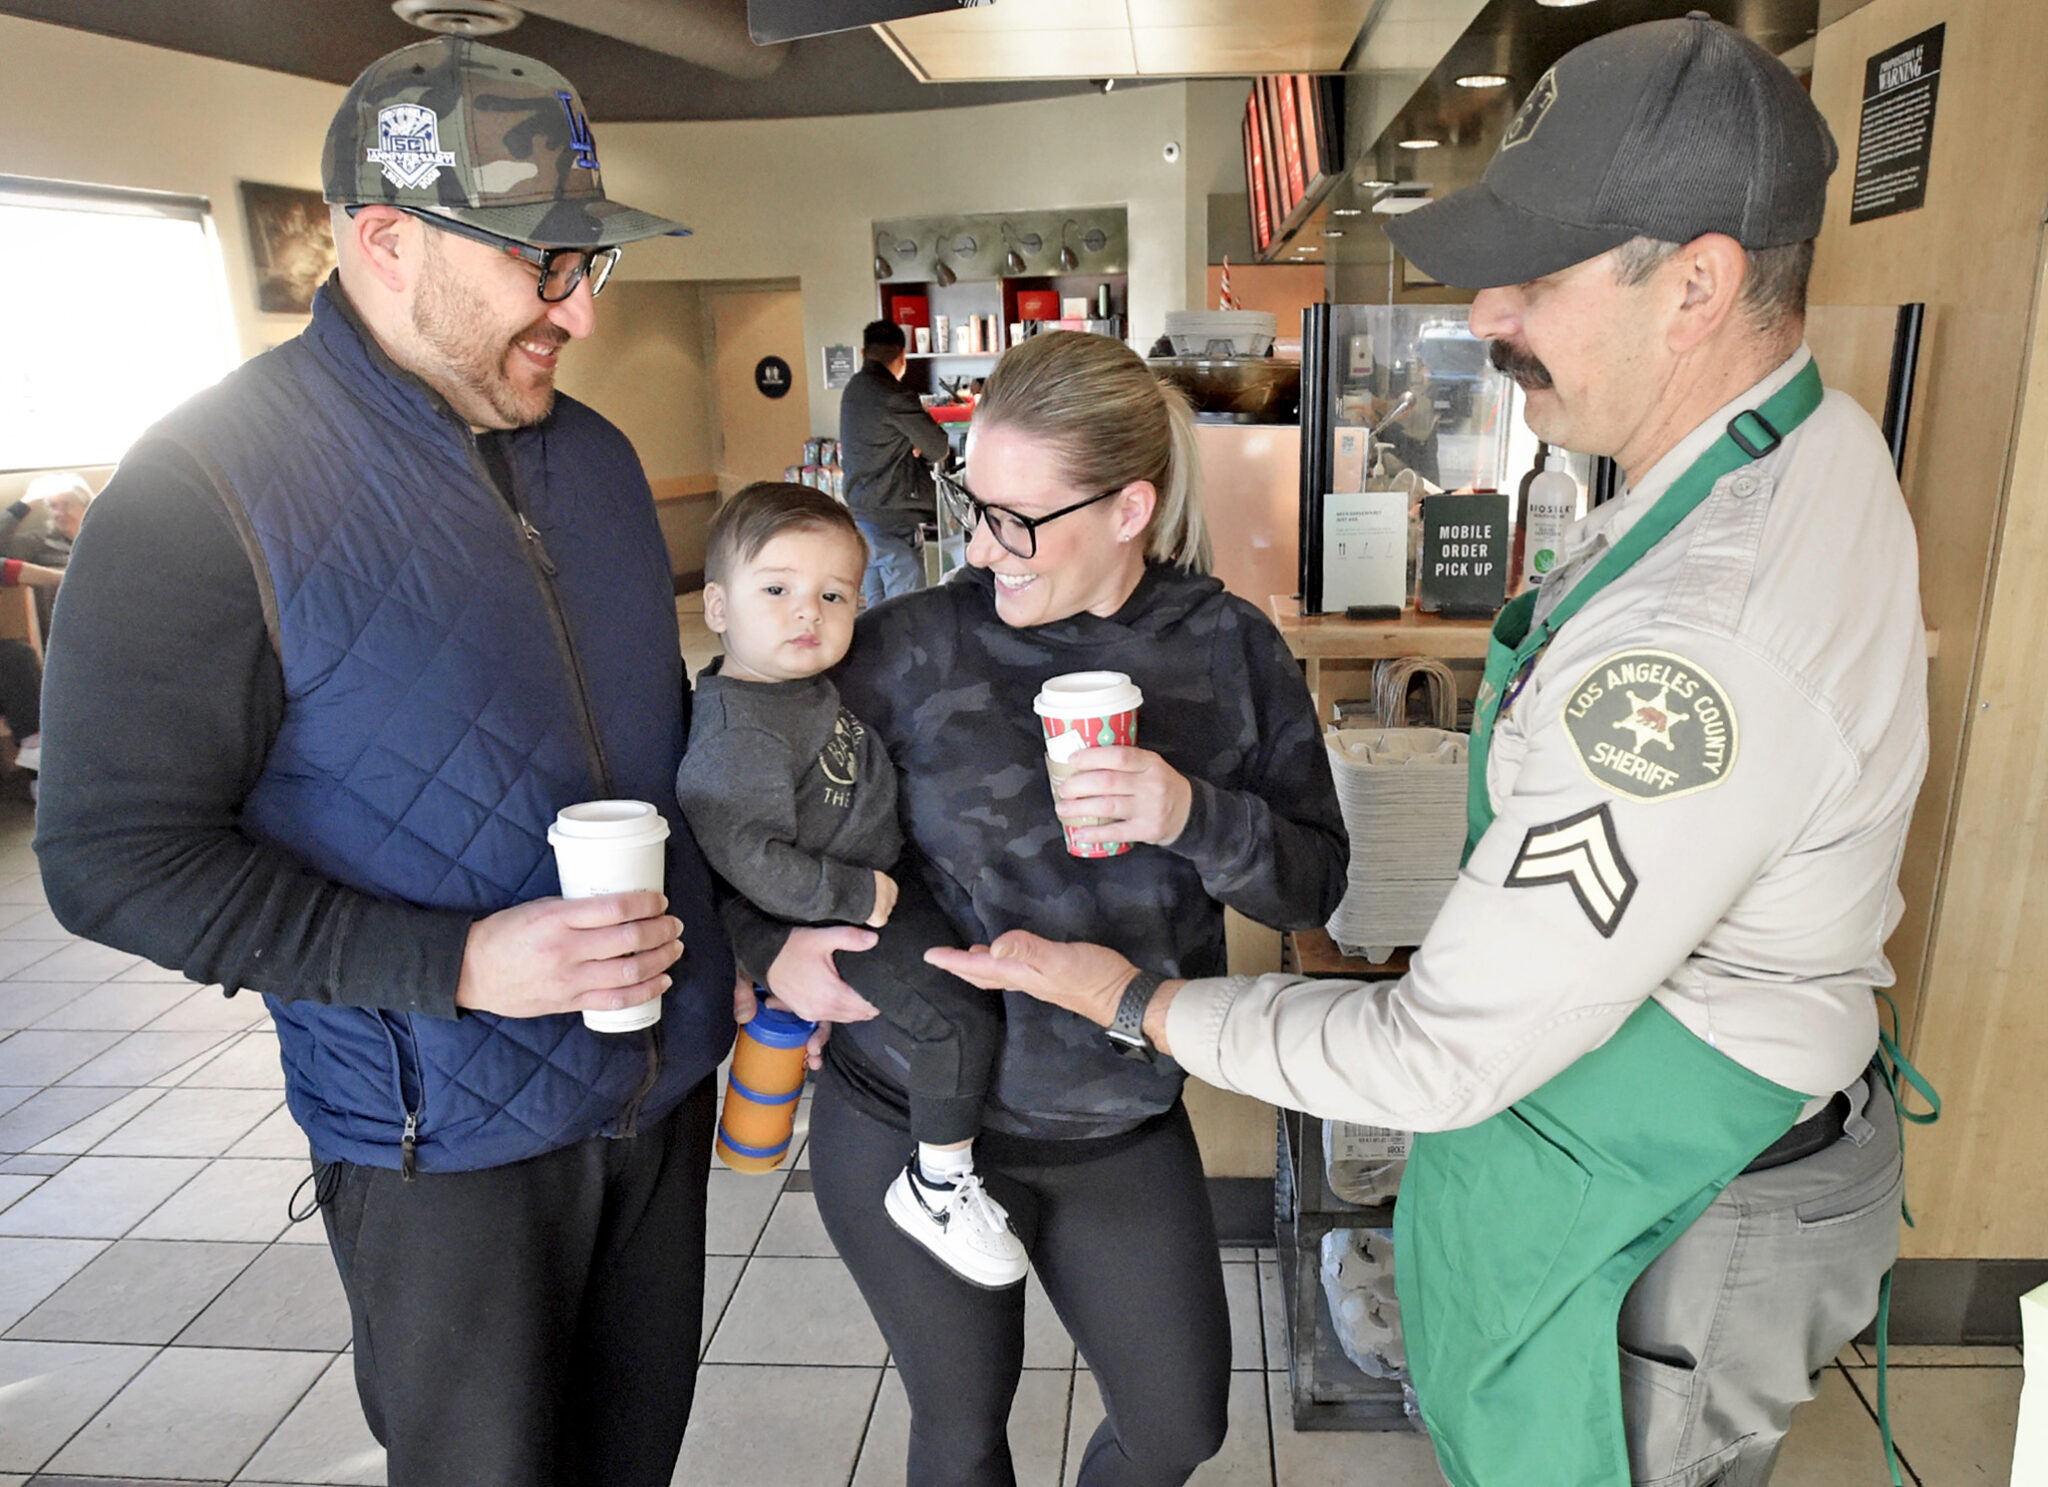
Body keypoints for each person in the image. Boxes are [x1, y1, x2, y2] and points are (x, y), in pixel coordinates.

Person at [932, 18, 1927, 1487]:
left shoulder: (1697, 634)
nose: (1490, 315)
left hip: (1669, 1199)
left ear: (1698, 285)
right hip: (1647, 1114)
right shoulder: (1799, 449)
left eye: (1538, 274)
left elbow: (1437, 1045)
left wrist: (1133, 998)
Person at [34, 37, 739, 1487]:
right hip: (441, 1151)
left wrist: (750, 943)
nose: (582, 310)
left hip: (656, 1102)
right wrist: (457, 963)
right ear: (383, 240)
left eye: (589, 262)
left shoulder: (598, 461)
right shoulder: (203, 488)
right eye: (543, 265)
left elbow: (657, 754)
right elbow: (108, 858)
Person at [726, 329, 1349, 1486]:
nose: (979, 545)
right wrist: (771, 946)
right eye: (975, 506)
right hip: (909, 1114)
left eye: (1016, 521)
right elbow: (734, 798)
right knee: (961, 1428)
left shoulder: (1229, 650)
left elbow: (1313, 883)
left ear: (1128, 510)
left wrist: (1187, 812)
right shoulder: (906, 648)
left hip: (1116, 1112)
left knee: (1176, 1426)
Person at [676, 481, 1026, 1288]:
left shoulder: (790, 690)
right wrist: (852, 896)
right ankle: (939, 1183)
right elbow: (746, 856)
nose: (808, 611)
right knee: (954, 1019)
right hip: (835, 913)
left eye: (833, 595)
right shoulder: (738, 732)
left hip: (867, 888)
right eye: (777, 590)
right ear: (718, 607)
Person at [839, 317, 952, 605]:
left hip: (862, 516)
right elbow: (938, 448)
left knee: (877, 609)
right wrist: (915, 443)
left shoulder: (853, 389)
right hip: (891, 516)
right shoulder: (894, 394)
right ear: (902, 356)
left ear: (863, 353)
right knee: (909, 610)